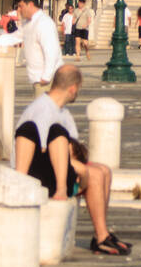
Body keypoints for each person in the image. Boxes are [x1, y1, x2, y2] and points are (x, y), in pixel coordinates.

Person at [13, 64, 130, 256]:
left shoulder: (62, 111)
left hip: (56, 167)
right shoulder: (43, 111)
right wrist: (80, 169)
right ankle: (101, 237)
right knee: (93, 174)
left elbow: (73, 149)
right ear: (73, 88)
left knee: (104, 170)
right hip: (38, 171)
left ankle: (102, 233)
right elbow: (43, 152)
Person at [0, 0, 63, 96]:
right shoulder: (28, 23)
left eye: (21, 6)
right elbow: (13, 37)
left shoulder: (44, 23)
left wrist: (46, 76)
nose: (19, 10)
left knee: (46, 111)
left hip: (49, 80)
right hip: (39, 78)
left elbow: (51, 51)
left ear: (30, 5)